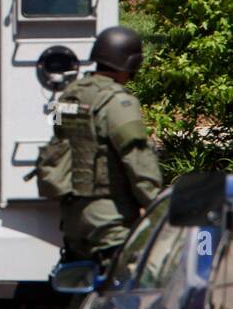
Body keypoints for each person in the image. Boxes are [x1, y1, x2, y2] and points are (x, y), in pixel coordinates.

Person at [40, 25, 163, 268]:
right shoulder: (119, 102)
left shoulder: (68, 96)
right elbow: (137, 159)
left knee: (83, 283)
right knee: (130, 285)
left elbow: (58, 135)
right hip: (109, 220)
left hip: (74, 219)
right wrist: (158, 208)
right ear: (129, 63)